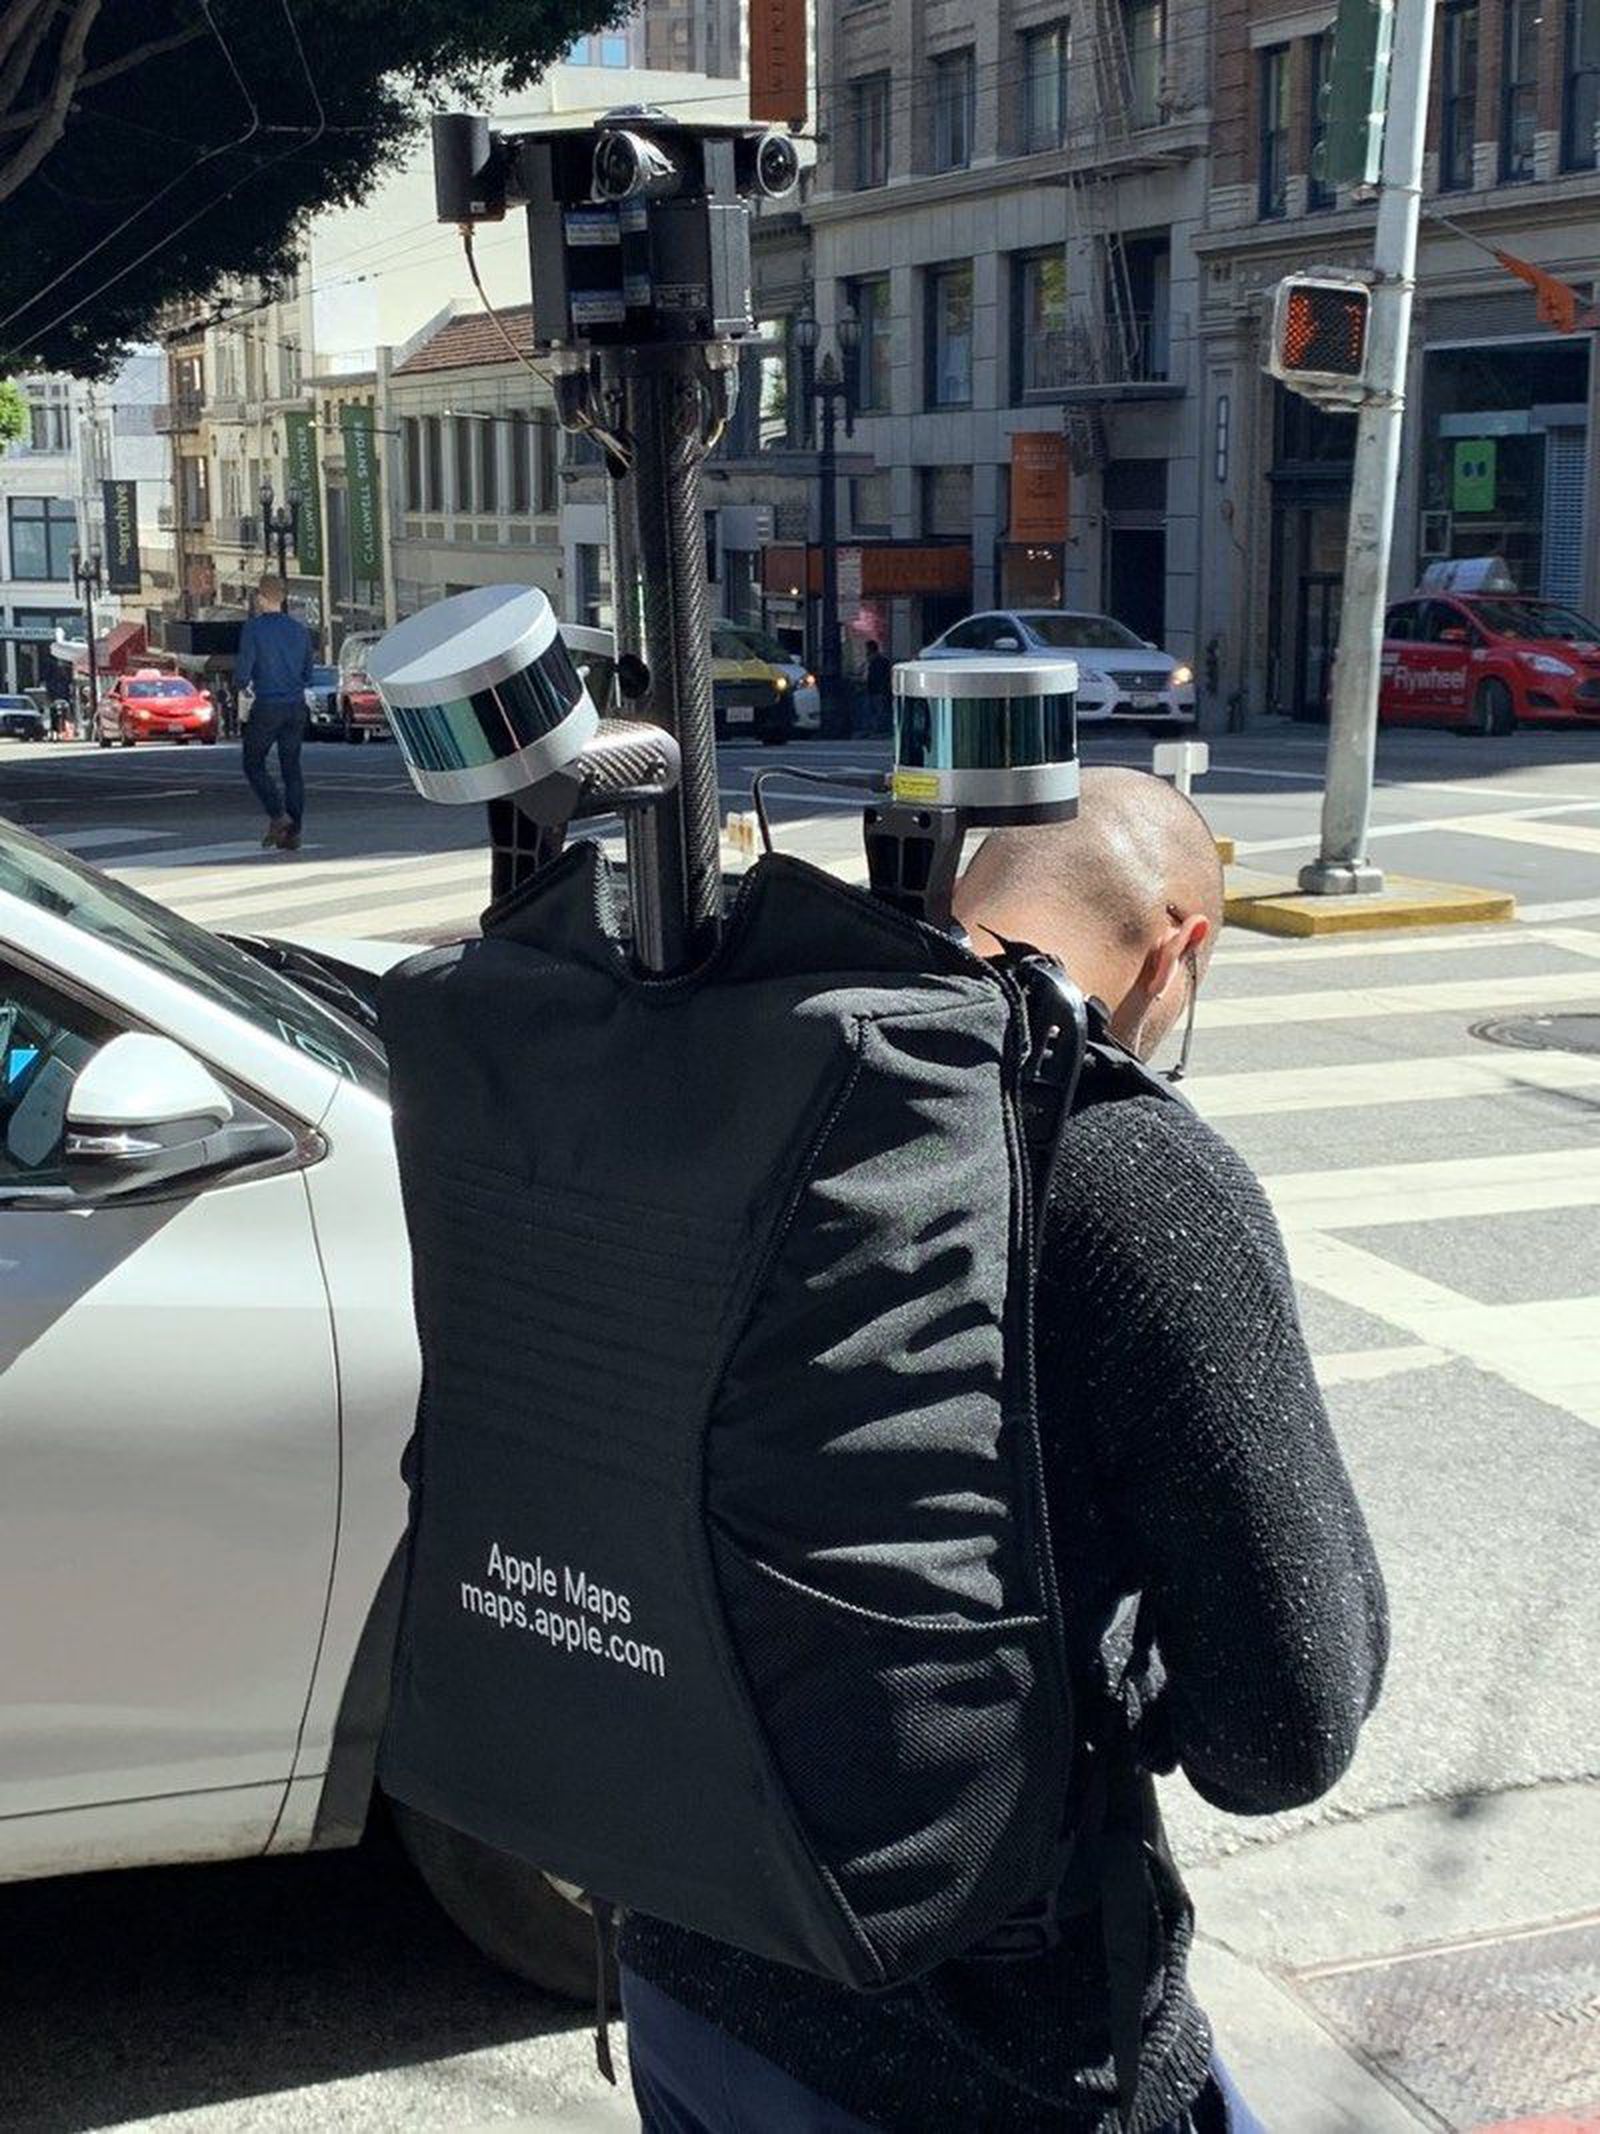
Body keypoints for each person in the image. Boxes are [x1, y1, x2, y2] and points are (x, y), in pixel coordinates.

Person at [619, 766, 1389, 2134]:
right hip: (987, 2047)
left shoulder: (743, 1078)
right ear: (1179, 948)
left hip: (690, 1966)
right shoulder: (1127, 1170)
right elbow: (1283, 1728)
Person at [235, 574, 313, 850]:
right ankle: (295, 830)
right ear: (283, 598)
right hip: (295, 705)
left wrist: (242, 685)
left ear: (260, 598)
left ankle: (278, 815)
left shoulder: (254, 629)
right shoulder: (300, 630)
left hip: (268, 704)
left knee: (253, 762)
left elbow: (244, 672)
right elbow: (308, 672)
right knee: (291, 767)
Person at [862, 638, 892, 737]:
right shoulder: (878, 661)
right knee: (875, 711)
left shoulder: (878, 662)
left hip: (877, 690)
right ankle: (876, 730)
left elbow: (878, 677)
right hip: (876, 690)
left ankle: (878, 730)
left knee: (877, 711)